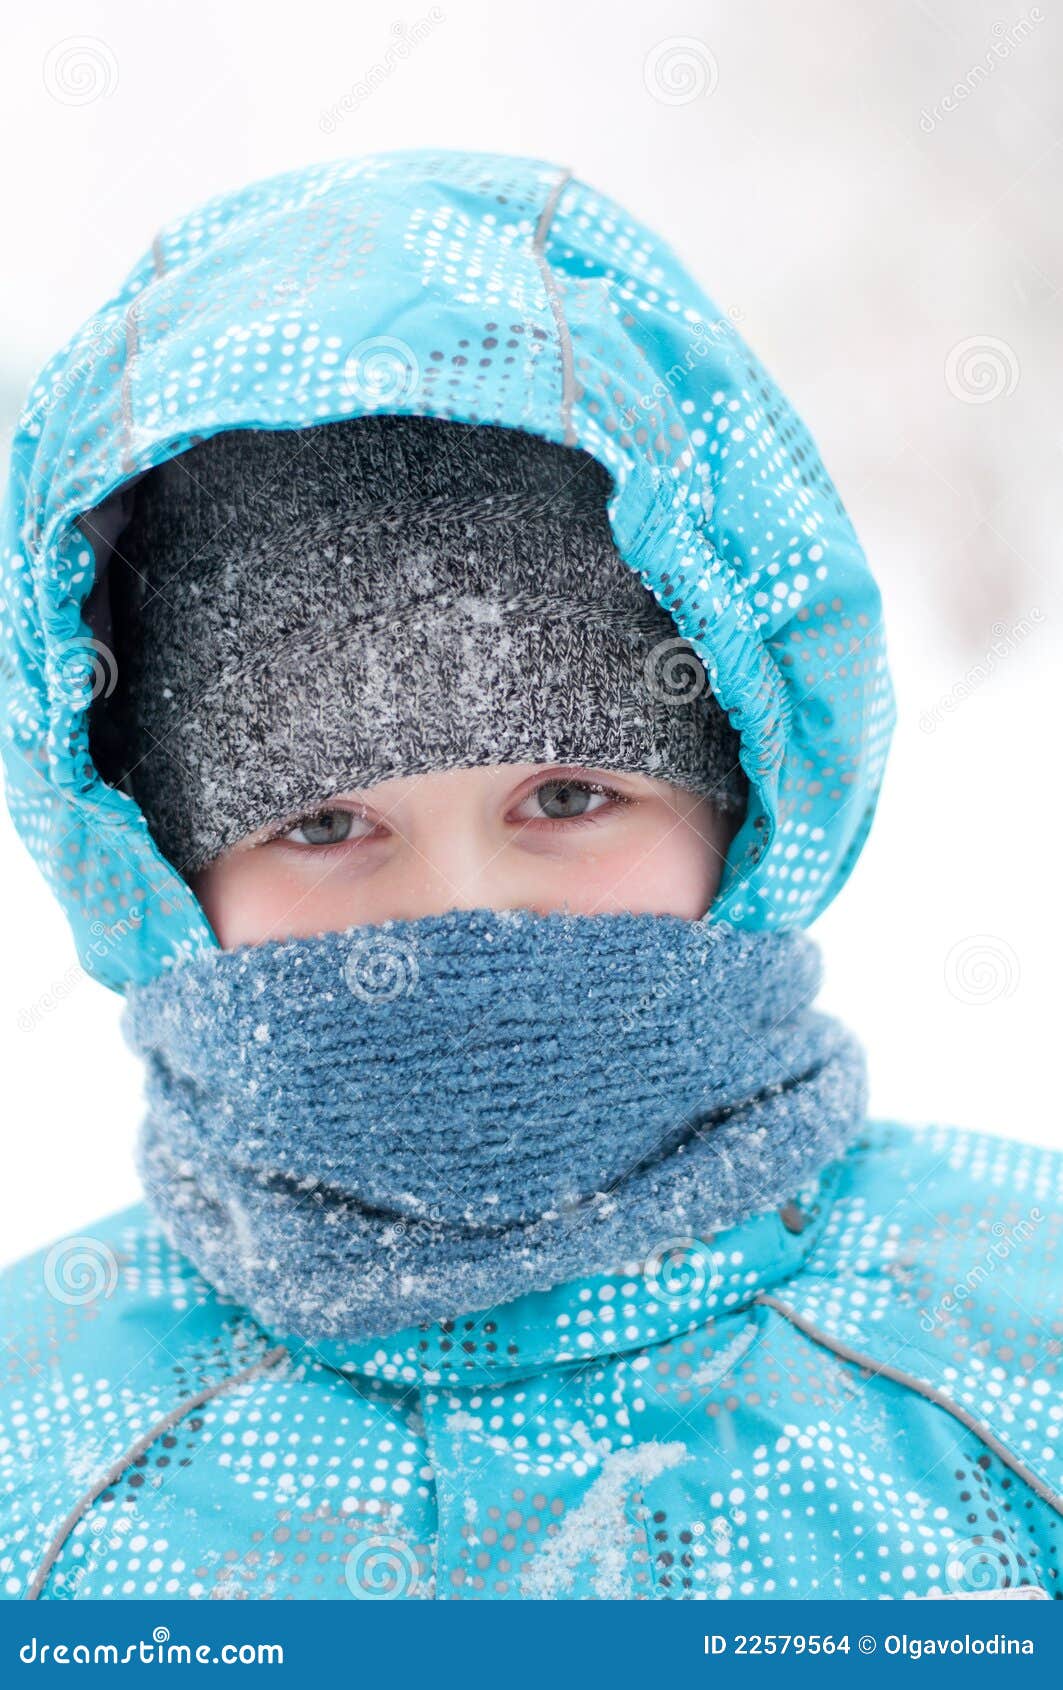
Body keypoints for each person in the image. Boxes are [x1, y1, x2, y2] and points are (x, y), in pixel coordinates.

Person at [0, 149, 1058, 1603]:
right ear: (165, 869)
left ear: (743, 806)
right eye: (321, 823)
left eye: (568, 794)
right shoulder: (37, 1465)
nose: (456, 915)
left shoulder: (1023, 1356)